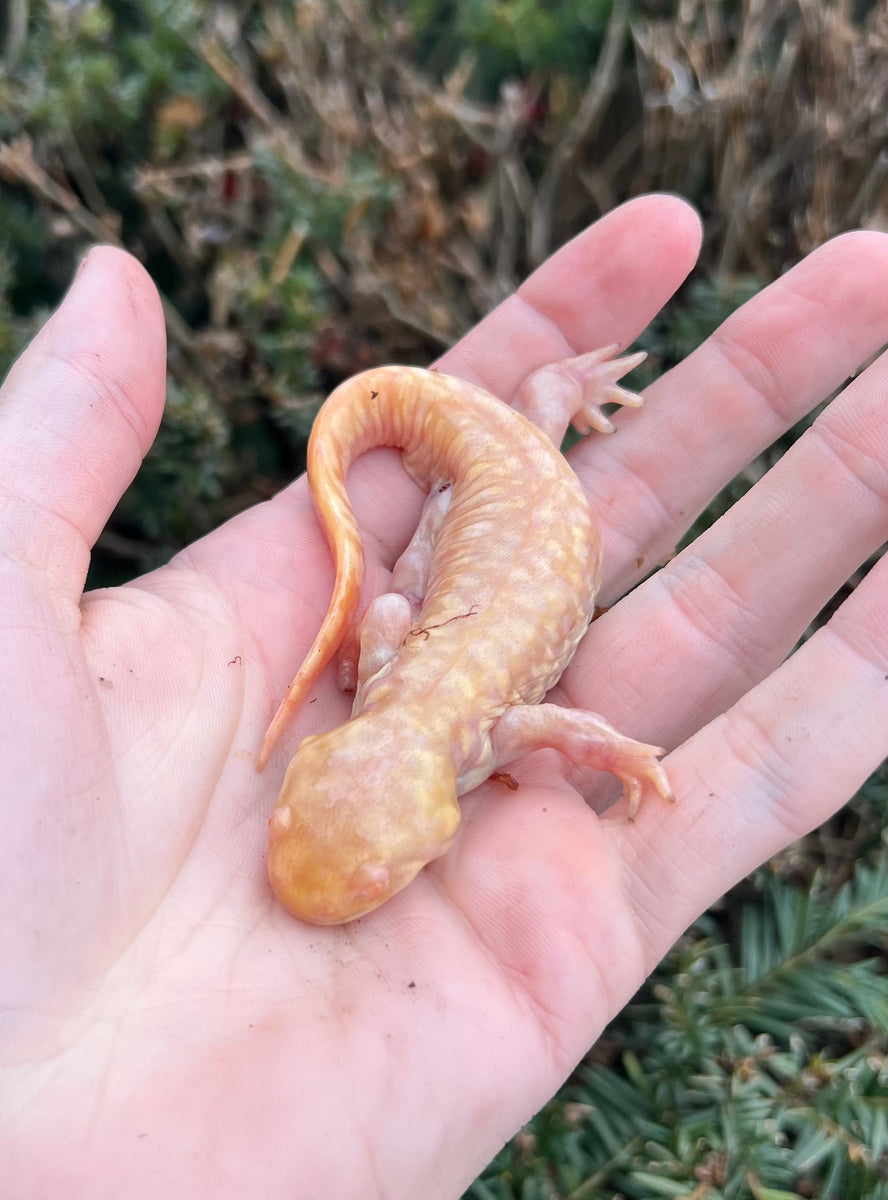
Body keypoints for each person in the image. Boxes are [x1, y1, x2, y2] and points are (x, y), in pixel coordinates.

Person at [1, 193, 886, 1197]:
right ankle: (540, 400)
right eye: (294, 815)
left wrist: (620, 751)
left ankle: (554, 389)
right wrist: (614, 746)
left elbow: (503, 695)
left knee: (505, 465)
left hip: (510, 473)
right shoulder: (434, 710)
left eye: (368, 876)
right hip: (503, 479)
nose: (300, 862)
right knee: (493, 478)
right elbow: (449, 665)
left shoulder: (471, 727)